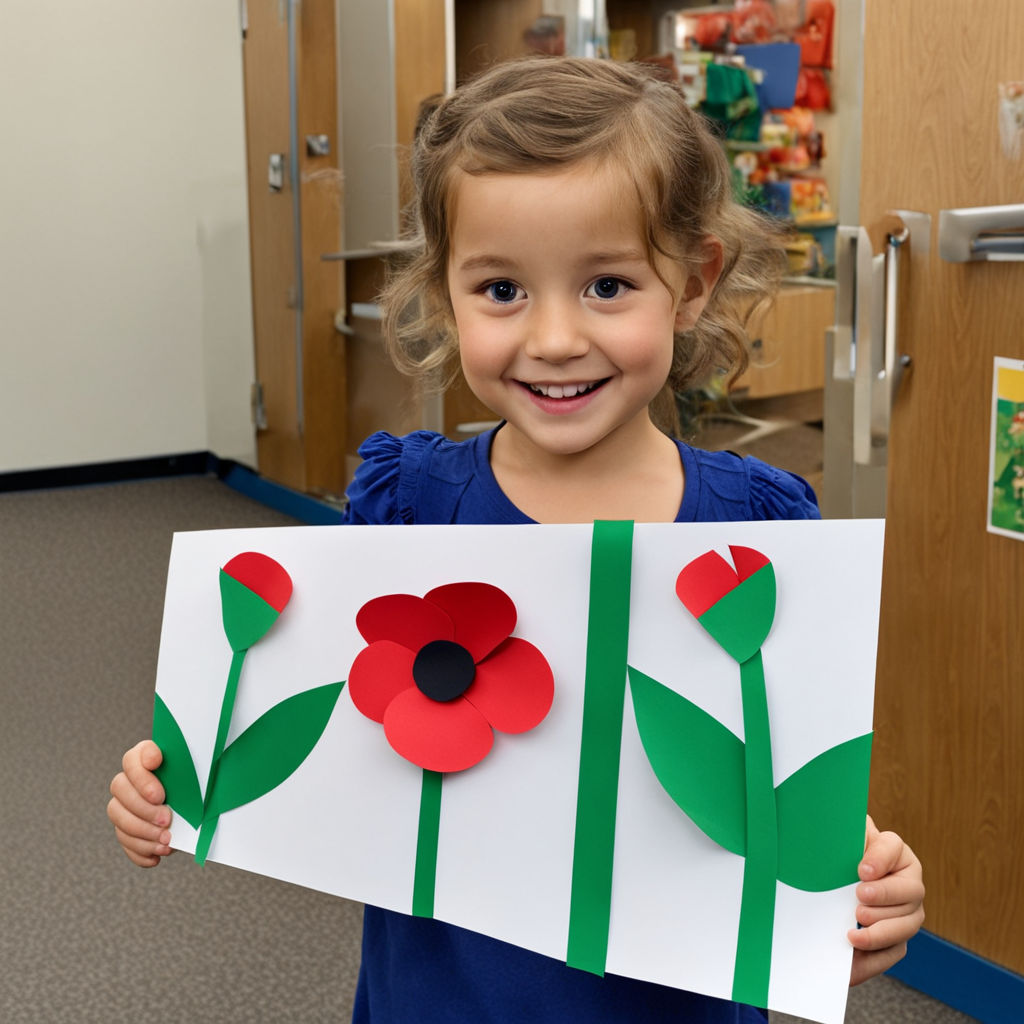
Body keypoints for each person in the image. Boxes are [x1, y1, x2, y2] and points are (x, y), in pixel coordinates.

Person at [108, 56, 925, 1023]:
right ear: (445, 294)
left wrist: (866, 881)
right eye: (501, 290)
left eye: (609, 285)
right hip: (441, 1000)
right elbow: (320, 720)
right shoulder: (407, 504)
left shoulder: (757, 532)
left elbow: (777, 776)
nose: (553, 339)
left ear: (694, 282)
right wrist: (171, 784)